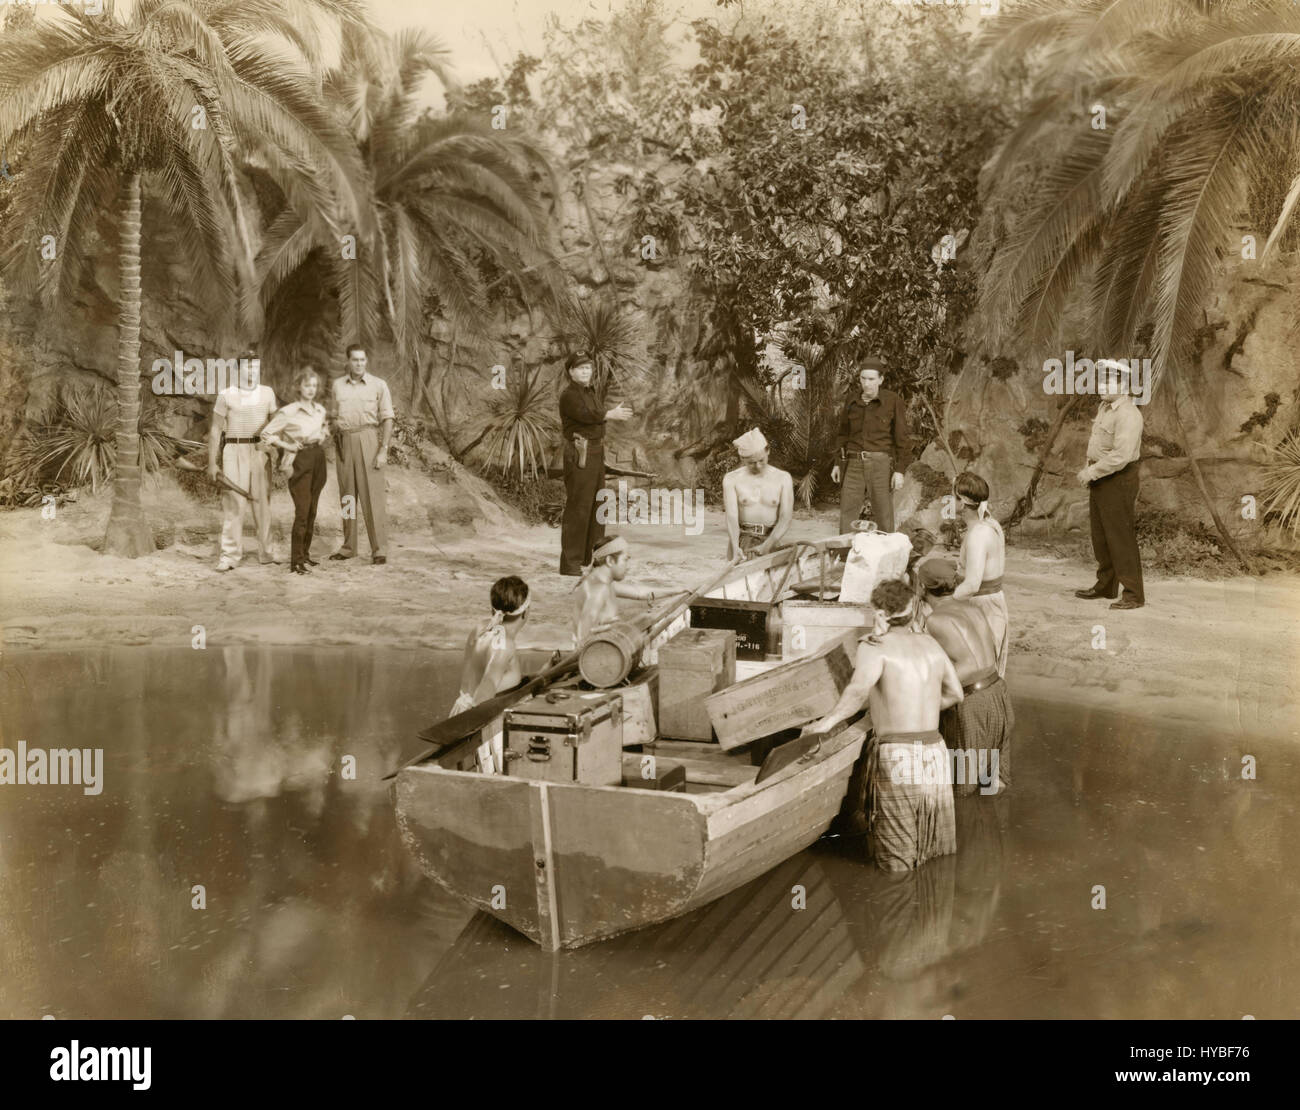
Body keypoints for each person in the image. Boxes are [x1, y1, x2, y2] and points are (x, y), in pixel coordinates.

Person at [803, 578, 963, 872]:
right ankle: (933, 911)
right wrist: (920, 707)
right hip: (935, 752)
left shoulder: (875, 647)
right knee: (932, 847)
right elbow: (955, 693)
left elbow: (857, 690)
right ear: (912, 609)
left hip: (898, 755)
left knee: (897, 854)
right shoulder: (930, 643)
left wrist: (824, 725)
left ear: (877, 612)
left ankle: (897, 905)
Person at [916, 562, 1013, 797]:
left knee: (961, 788)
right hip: (998, 693)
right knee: (993, 784)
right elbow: (986, 656)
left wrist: (926, 694)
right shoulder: (973, 608)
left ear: (921, 587)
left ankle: (966, 829)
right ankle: (992, 826)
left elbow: (968, 666)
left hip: (971, 704)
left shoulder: (936, 620)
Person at [1074, 359, 1145, 610]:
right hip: (1102, 476)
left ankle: (1134, 594)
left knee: (1120, 536)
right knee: (1101, 536)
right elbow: (1097, 443)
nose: (1101, 386)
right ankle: (1106, 585)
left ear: (1124, 385)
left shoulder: (1129, 414)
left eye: (1108, 382)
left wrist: (1091, 472)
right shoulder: (1106, 408)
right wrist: (1089, 468)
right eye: (1101, 380)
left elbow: (1121, 455)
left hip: (1118, 478)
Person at [559, 352, 631, 575]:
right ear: (571, 371)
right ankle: (571, 564)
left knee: (597, 507)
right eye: (580, 368)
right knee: (579, 508)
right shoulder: (569, 395)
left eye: (588, 368)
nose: (585, 371)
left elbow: (594, 416)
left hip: (595, 452)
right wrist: (610, 413)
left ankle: (590, 558)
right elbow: (588, 415)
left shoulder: (589, 392)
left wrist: (606, 415)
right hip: (581, 453)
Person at [207, 353, 277, 572]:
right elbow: (216, 429)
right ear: (238, 369)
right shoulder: (226, 394)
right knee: (234, 504)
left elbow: (278, 423)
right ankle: (229, 556)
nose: (252, 371)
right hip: (233, 450)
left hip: (259, 452)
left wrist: (272, 446)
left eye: (256, 366)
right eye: (248, 367)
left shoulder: (267, 393)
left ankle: (267, 553)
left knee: (262, 504)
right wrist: (212, 463)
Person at [259, 366, 330, 574]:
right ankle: (296, 561)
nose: (311, 389)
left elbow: (324, 427)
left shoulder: (320, 410)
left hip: (317, 457)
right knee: (302, 510)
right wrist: (287, 446)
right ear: (299, 387)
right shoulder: (288, 412)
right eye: (307, 385)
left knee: (312, 510)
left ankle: (305, 555)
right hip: (299, 460)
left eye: (314, 386)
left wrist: (323, 434)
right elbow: (266, 434)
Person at [330, 343, 394, 565]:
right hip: (344, 442)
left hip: (368, 440)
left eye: (362, 359)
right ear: (347, 361)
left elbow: (387, 419)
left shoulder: (378, 385)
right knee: (347, 498)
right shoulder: (337, 386)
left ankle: (379, 549)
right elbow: (332, 415)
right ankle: (349, 547)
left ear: (366, 361)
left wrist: (382, 450)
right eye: (355, 359)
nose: (359, 363)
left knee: (373, 498)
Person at [832, 357, 910, 534]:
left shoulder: (893, 401)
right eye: (863, 378)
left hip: (879, 464)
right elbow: (843, 434)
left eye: (871, 379)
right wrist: (838, 463)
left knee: (883, 513)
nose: (866, 384)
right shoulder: (852, 400)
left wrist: (899, 470)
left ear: (881, 379)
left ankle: (887, 555)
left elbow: (902, 439)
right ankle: (845, 555)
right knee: (847, 512)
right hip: (853, 463)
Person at [950, 471, 1010, 678]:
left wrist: (946, 603)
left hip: (983, 609)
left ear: (961, 503)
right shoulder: (989, 523)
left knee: (978, 672)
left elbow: (973, 584)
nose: (949, 501)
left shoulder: (978, 535)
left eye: (953, 497)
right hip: (990, 604)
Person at [571, 533, 670, 647]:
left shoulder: (600, 583)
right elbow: (582, 639)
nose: (627, 566)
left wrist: (677, 590)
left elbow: (639, 592)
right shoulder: (599, 589)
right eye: (625, 560)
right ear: (610, 561)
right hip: (595, 657)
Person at [451, 576, 531, 714]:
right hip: (477, 720)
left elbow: (491, 678)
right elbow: (487, 686)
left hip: (461, 709)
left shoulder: (481, 628)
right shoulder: (504, 644)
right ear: (525, 612)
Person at [723, 428, 794, 559]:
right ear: (742, 459)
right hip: (742, 541)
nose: (758, 466)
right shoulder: (731, 479)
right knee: (739, 579)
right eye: (751, 463)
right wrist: (735, 547)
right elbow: (731, 517)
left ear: (768, 451)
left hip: (772, 539)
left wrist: (767, 546)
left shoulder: (783, 478)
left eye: (761, 460)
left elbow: (786, 518)